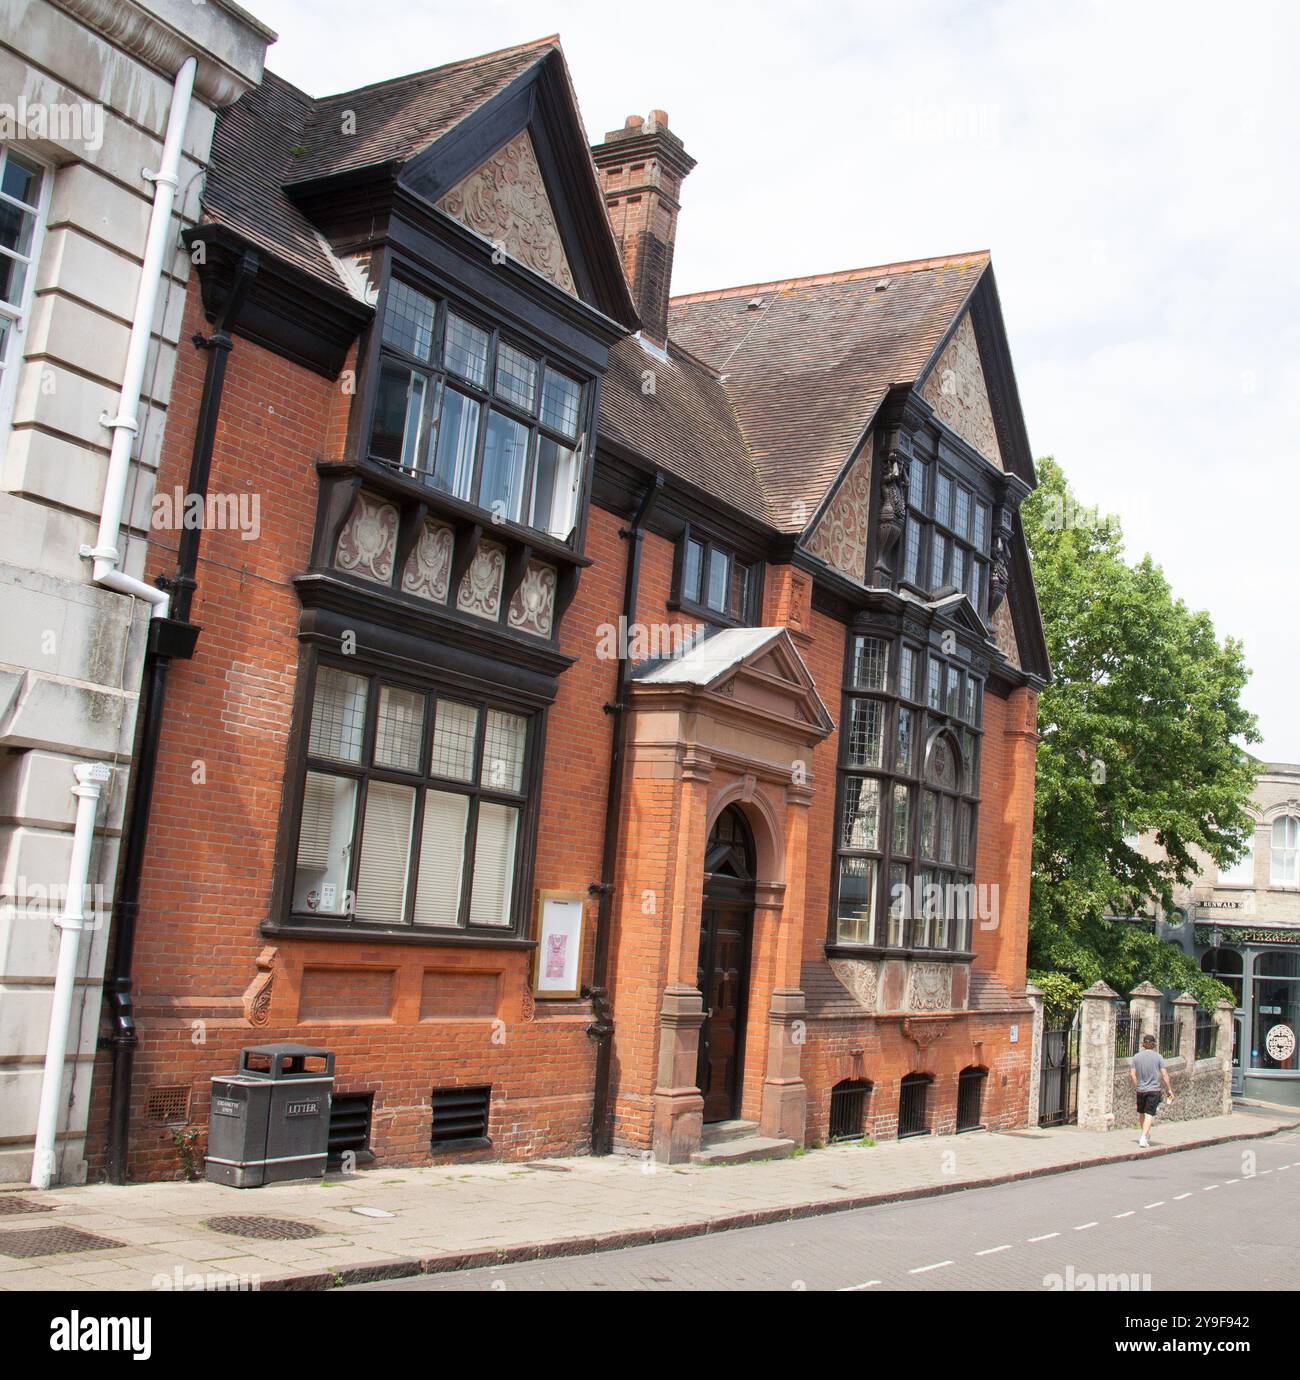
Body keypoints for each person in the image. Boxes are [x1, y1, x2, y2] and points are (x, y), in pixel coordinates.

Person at [1130, 1032, 1175, 1147]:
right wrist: (1169, 1089)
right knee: (1149, 1113)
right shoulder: (1158, 1057)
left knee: (1141, 1113)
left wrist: (1137, 1085)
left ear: (1143, 1045)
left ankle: (1145, 1133)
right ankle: (1143, 1137)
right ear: (1154, 1045)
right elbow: (1164, 1074)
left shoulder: (1136, 1057)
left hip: (1141, 1089)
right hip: (1153, 1089)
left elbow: (1132, 1074)